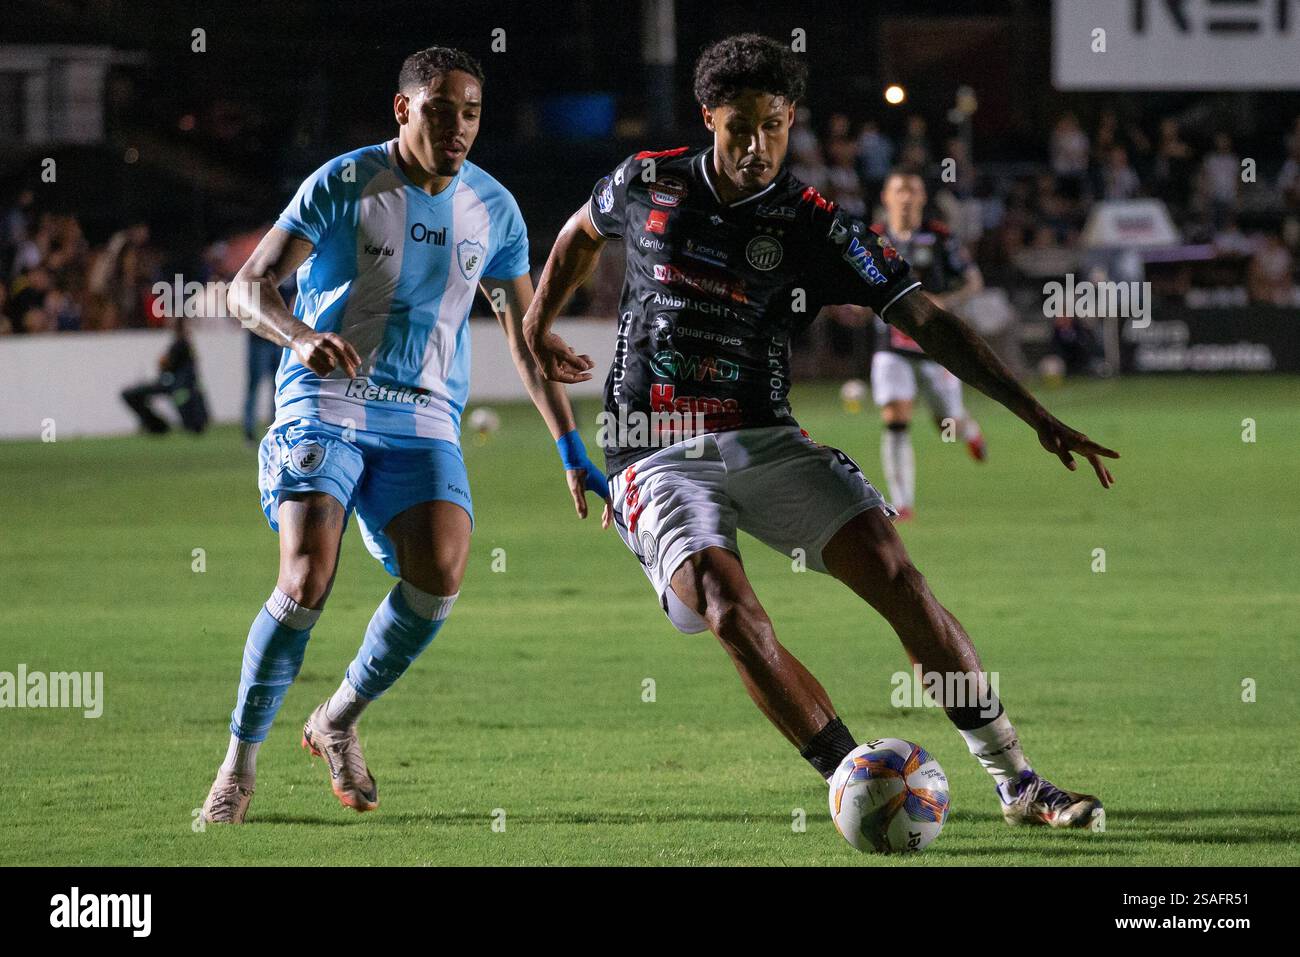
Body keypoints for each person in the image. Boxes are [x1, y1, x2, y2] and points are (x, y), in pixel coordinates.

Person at [523, 33, 1117, 830]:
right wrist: (536, 323)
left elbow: (927, 319)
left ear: (791, 118)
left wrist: (1033, 412)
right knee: (730, 611)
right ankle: (856, 780)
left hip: (763, 434)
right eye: (741, 127)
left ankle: (1019, 783)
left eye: (774, 126)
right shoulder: (647, 181)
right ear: (709, 118)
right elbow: (576, 236)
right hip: (652, 446)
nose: (758, 146)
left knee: (893, 571)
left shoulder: (816, 223)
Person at [199, 45, 606, 824]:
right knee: (305, 578)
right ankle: (237, 767)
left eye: (473, 112)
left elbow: (524, 334)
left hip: (423, 416)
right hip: (326, 398)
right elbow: (248, 287)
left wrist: (570, 446)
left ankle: (337, 719)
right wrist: (297, 336)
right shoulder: (346, 181)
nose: (459, 127)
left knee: (440, 575)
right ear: (404, 109)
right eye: (442, 109)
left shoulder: (495, 208)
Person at [869, 169, 987, 520]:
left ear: (922, 198)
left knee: (946, 423)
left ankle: (969, 429)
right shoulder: (872, 238)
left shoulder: (939, 237)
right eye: (899, 190)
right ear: (886, 198)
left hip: (935, 347)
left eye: (913, 190)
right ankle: (902, 504)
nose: (906, 196)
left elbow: (973, 280)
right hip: (890, 346)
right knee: (895, 416)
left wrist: (945, 303)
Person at [120, 317, 210, 434]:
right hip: (171, 384)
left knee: (131, 394)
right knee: (132, 394)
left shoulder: (181, 344)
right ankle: (157, 425)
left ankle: (158, 426)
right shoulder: (182, 344)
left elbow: (165, 364)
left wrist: (163, 363)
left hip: (176, 385)